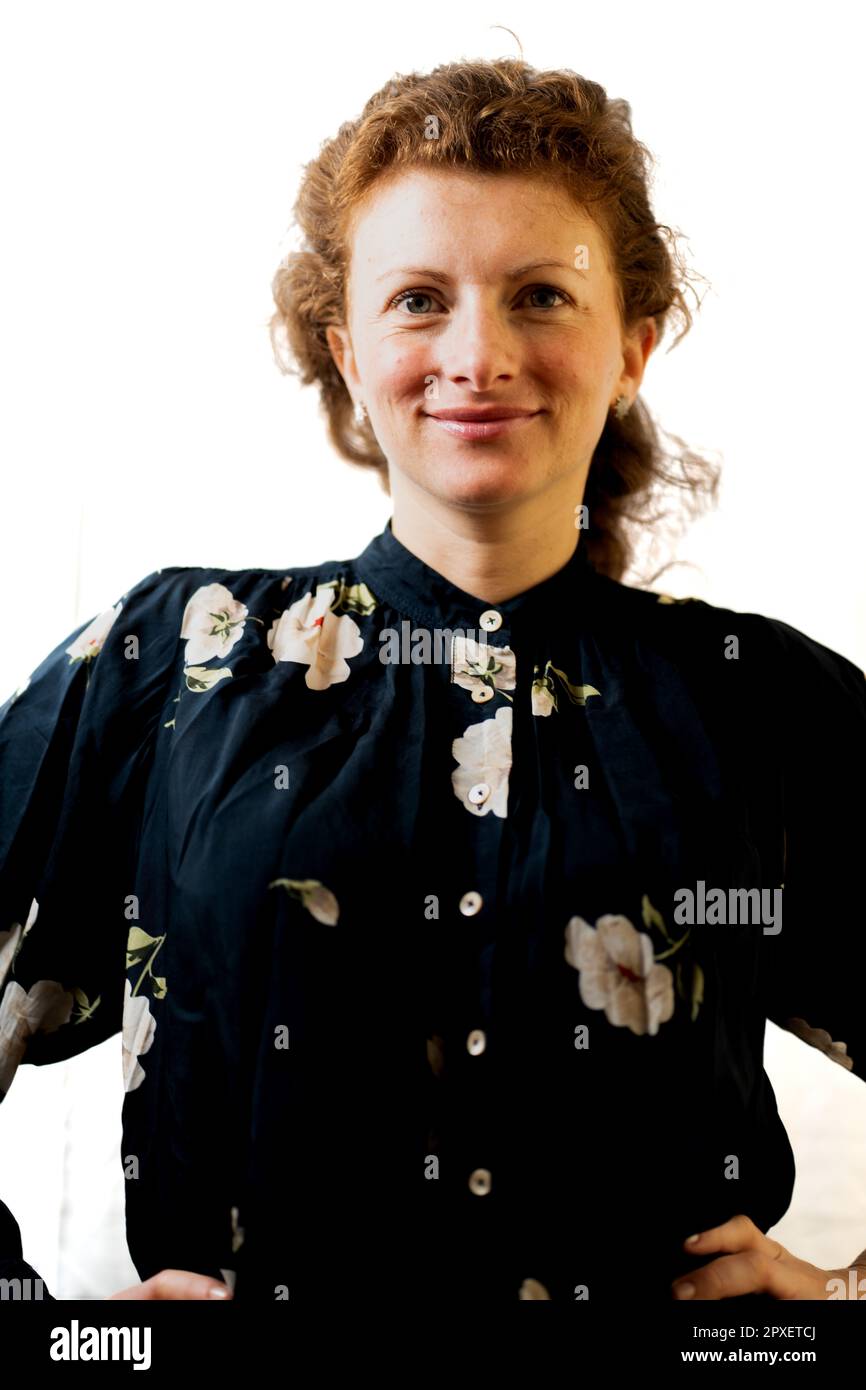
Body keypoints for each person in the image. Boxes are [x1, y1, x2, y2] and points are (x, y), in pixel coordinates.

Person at [1, 56, 865, 1304]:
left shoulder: (757, 704)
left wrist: (838, 1302)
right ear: (347, 350)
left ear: (629, 346)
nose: (478, 353)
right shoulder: (164, 663)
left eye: (537, 296)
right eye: (418, 299)